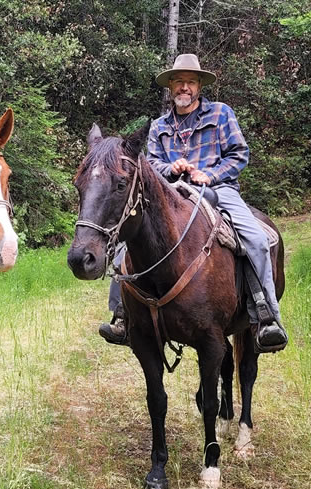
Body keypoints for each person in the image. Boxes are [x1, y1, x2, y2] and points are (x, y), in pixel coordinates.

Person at [98, 53, 288, 351]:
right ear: (170, 86)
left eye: (190, 82)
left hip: (219, 189)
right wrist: (169, 170)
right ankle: (122, 316)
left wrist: (208, 175)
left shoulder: (221, 114)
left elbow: (239, 154)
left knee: (255, 239)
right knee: (127, 237)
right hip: (170, 193)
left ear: (199, 86)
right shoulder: (160, 126)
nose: (183, 87)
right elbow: (151, 165)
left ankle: (265, 317)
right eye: (178, 82)